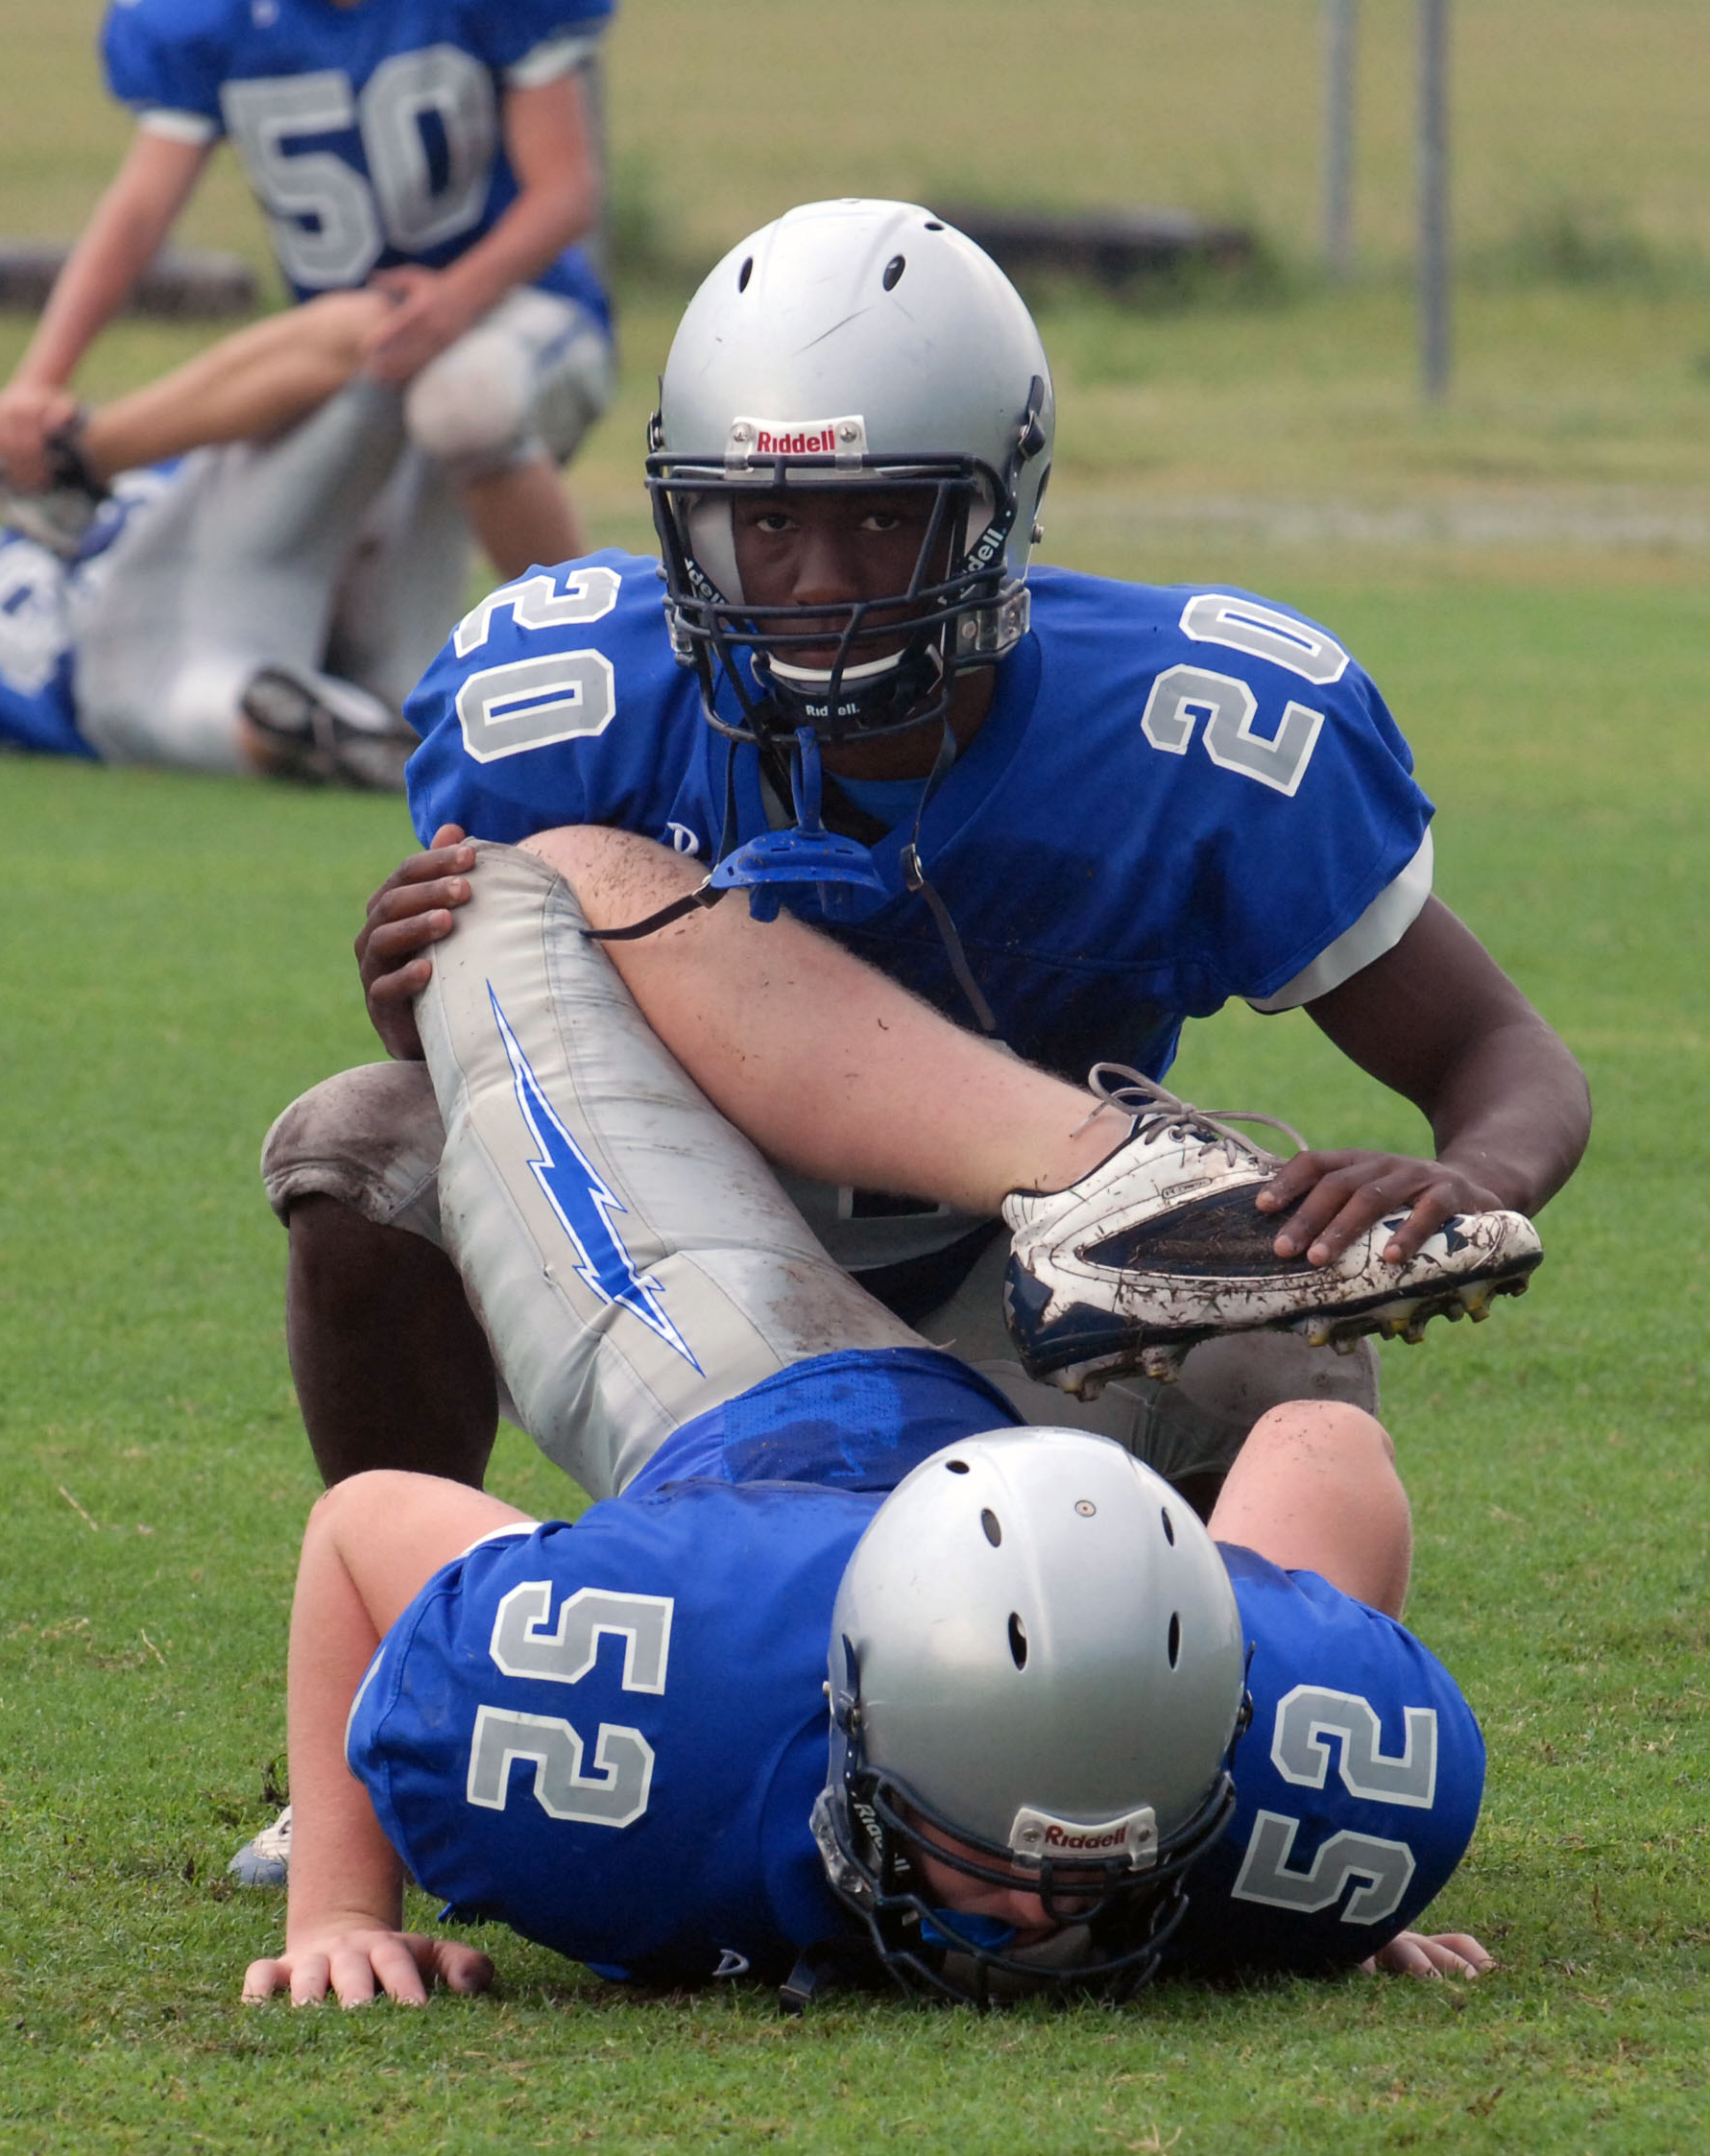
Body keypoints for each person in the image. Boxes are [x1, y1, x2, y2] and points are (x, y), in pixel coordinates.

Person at [260, 198, 1590, 1502]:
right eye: (765, 522)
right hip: (671, 1221)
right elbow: (541, 1095)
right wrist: (427, 998)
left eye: (883, 517)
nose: (817, 581)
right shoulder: (572, 703)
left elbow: (1496, 1052)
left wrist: (1471, 1180)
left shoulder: (1175, 732)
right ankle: (429, 1613)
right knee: (357, 1143)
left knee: (1285, 1345)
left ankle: (1222, 1691)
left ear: (1000, 503)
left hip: (1033, 1270)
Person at [240, 838, 1493, 2007]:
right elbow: (362, 1527)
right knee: (500, 906)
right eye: (987, 1855)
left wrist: (1319, 1867)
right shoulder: (669, 1690)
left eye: (1104, 1867)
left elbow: (1323, 1446)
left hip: (1045, 1477)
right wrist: (339, 1912)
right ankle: (573, 869)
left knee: (1295, 1354)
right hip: (763, 1406)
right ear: (853, 1732)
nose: (1039, 1917)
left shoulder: (1283, 1755)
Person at [0, 0, 615, 666]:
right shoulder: (210, 21)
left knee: (466, 399)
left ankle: (599, 657)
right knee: (385, 672)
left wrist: (456, 299)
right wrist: (37, 380)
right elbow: (139, 213)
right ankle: (69, 462)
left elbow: (565, 194)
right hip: (360, 363)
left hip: (523, 315)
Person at [0, 381, 435, 782]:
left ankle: (300, 728)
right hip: (279, 535)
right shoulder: (112, 500)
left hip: (135, 671)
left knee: (207, 704)